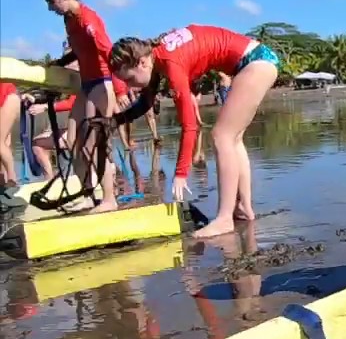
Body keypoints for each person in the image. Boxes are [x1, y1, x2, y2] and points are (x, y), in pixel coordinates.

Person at [109, 25, 280, 238]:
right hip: (258, 60)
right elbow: (146, 102)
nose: (130, 86)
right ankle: (243, 207)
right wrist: (116, 120)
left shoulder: (171, 63)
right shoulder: (158, 56)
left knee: (221, 136)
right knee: (234, 139)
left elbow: (189, 125)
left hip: (255, 62)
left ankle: (224, 219)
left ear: (142, 63)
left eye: (130, 79)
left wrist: (181, 173)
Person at [43, 0, 122, 211]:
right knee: (73, 143)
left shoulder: (88, 19)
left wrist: (120, 88)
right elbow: (79, 51)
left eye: (51, 1)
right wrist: (59, 62)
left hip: (102, 83)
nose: (49, 8)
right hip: (86, 85)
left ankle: (110, 200)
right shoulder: (68, 20)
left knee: (96, 145)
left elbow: (109, 51)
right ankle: (88, 194)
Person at [0, 82, 20, 186]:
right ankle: (3, 182)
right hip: (5, 97)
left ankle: (12, 180)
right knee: (4, 144)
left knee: (0, 143)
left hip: (8, 97)